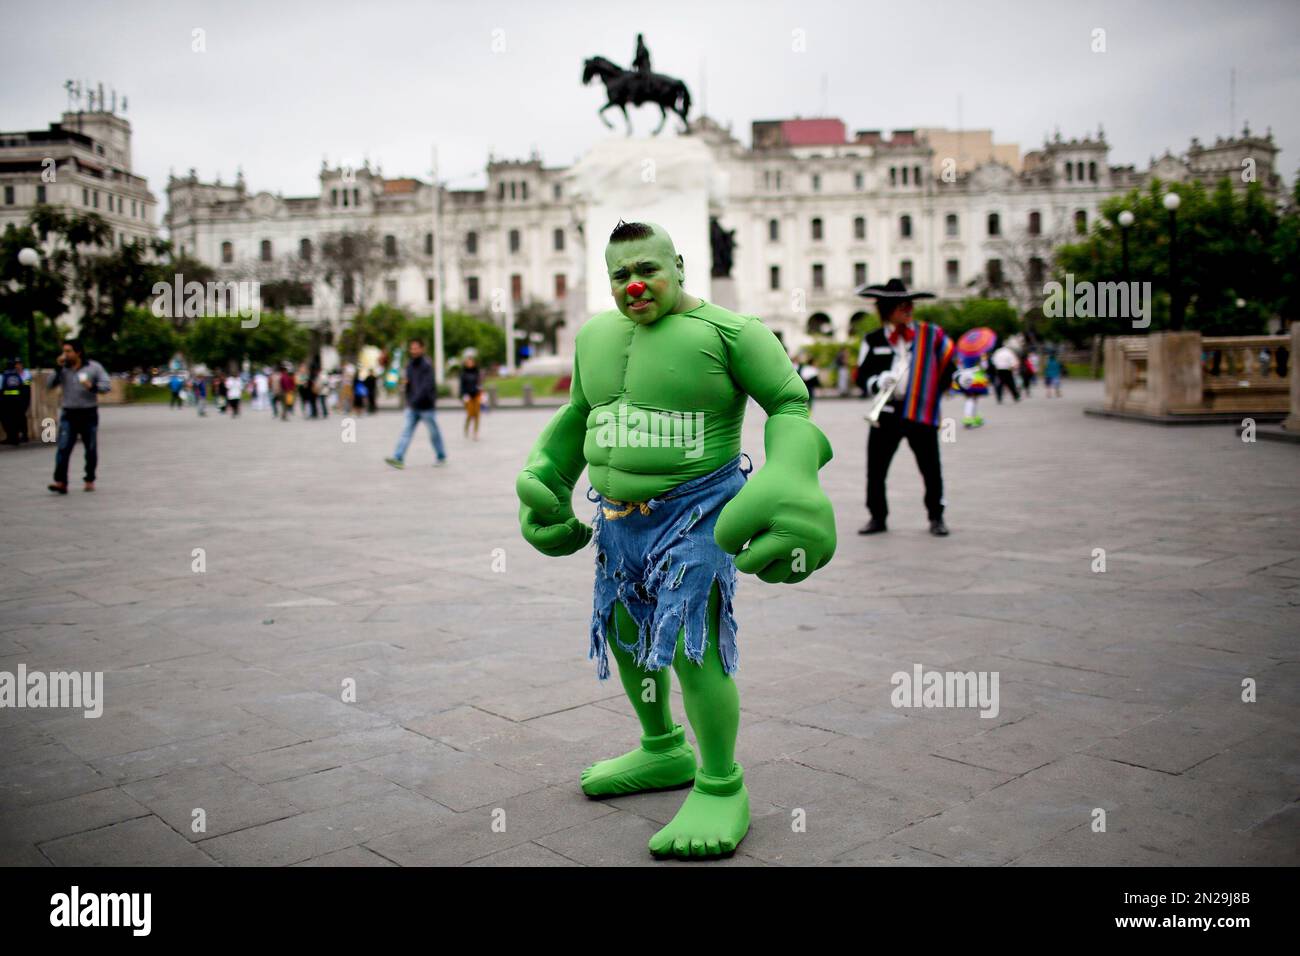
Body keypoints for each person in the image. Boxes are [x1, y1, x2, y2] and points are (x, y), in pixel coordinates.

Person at [516, 220, 835, 859]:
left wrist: (795, 477)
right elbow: (581, 413)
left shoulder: (733, 333)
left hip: (698, 513)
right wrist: (544, 477)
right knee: (626, 634)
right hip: (616, 519)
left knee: (693, 644)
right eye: (620, 275)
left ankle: (721, 783)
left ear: (679, 265)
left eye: (647, 270)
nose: (634, 285)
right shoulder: (595, 336)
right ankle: (663, 749)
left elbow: (790, 408)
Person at [854, 278, 956, 536]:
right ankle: (877, 516)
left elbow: (948, 367)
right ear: (887, 308)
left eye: (910, 304)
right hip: (887, 413)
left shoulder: (929, 336)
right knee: (876, 469)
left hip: (920, 411)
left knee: (931, 467)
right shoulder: (873, 339)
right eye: (902, 305)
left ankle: (936, 516)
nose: (908, 309)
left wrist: (955, 383)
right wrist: (877, 381)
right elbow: (861, 376)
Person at [46, 338, 111, 493]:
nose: (65, 355)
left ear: (78, 352)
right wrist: (57, 368)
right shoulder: (63, 369)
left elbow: (106, 385)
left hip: (88, 413)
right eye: (64, 351)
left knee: (90, 448)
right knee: (63, 447)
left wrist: (92, 386)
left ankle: (89, 478)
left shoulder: (94, 367)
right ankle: (61, 481)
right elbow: (49, 385)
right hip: (69, 413)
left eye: (68, 351)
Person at [385, 338, 446, 468]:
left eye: (416, 348)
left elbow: (426, 386)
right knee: (406, 432)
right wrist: (406, 389)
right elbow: (408, 382)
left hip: (426, 406)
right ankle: (398, 457)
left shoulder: (427, 365)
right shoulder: (409, 364)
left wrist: (414, 400)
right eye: (411, 348)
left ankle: (441, 456)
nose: (413, 350)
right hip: (412, 406)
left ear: (422, 348)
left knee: (433, 433)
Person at [2, 357, 31, 445]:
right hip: (13, 401)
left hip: (18, 400)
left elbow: (26, 387)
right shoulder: (16, 375)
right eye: (16, 364)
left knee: (19, 418)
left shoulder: (25, 374)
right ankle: (14, 437)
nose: (18, 366)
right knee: (14, 419)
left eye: (19, 364)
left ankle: (22, 436)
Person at [460, 352, 483, 440]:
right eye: (468, 362)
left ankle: (475, 432)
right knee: (470, 414)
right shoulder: (463, 374)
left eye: (471, 362)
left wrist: (481, 392)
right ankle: (466, 428)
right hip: (468, 396)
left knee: (477, 414)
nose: (470, 364)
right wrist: (463, 395)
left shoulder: (477, 372)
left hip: (476, 395)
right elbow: (462, 386)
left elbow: (480, 384)